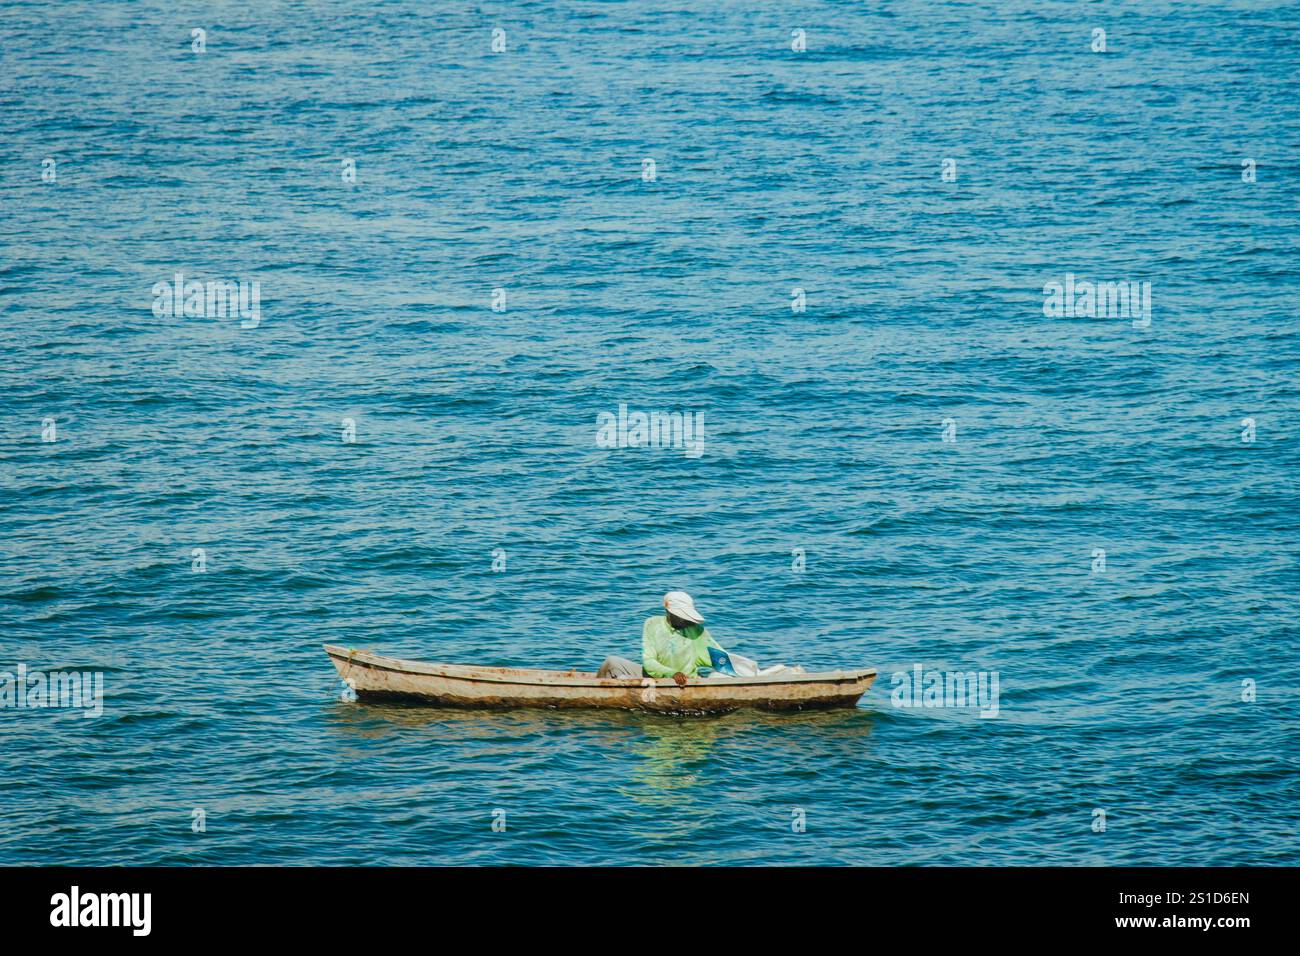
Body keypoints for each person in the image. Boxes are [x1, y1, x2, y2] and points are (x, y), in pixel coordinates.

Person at [597, 590, 723, 686]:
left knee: (719, 675)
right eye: (682, 616)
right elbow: (649, 663)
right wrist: (672, 673)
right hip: (654, 677)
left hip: (686, 680)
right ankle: (597, 691)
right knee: (611, 662)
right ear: (670, 613)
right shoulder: (652, 624)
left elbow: (719, 656)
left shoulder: (696, 630)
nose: (686, 620)